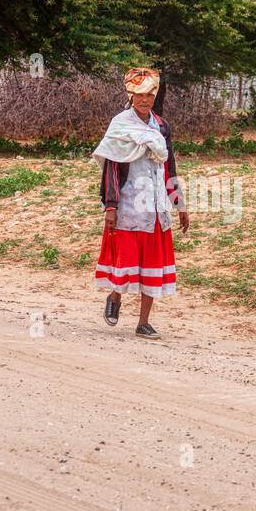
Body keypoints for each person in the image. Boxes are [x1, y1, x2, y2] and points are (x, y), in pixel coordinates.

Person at [92, 67, 189, 338]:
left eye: (149, 95)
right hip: (129, 205)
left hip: (156, 206)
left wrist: (179, 203)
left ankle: (143, 322)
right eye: (139, 95)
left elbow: (169, 166)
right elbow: (111, 168)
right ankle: (115, 297)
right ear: (130, 95)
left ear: (154, 96)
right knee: (126, 262)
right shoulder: (121, 125)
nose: (144, 100)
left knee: (152, 265)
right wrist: (111, 207)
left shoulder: (161, 127)